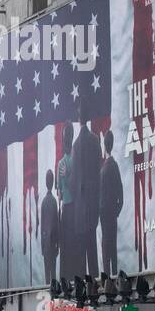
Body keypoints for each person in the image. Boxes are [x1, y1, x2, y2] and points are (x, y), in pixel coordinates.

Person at [71, 118, 102, 276]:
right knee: (92, 250)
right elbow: (99, 171)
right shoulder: (95, 140)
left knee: (82, 252)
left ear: (79, 120)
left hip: (80, 209)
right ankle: (95, 280)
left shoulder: (76, 145)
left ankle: (84, 286)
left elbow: (73, 181)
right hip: (93, 204)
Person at [99, 129, 124, 276]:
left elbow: (102, 196)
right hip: (111, 214)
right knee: (112, 246)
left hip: (105, 214)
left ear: (104, 145)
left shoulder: (105, 169)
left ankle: (108, 277)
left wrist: (107, 211)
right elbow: (120, 193)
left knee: (106, 246)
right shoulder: (114, 166)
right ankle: (112, 275)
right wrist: (116, 211)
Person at [56, 123, 76, 280]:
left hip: (68, 209)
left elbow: (59, 194)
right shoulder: (73, 161)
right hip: (73, 209)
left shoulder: (62, 163)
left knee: (67, 249)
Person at [40, 167, 59, 285]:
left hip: (46, 242)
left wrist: (42, 244)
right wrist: (58, 243)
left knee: (47, 272)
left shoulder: (44, 202)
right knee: (53, 271)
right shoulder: (53, 201)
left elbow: (42, 225)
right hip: (53, 243)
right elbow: (56, 224)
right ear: (52, 183)